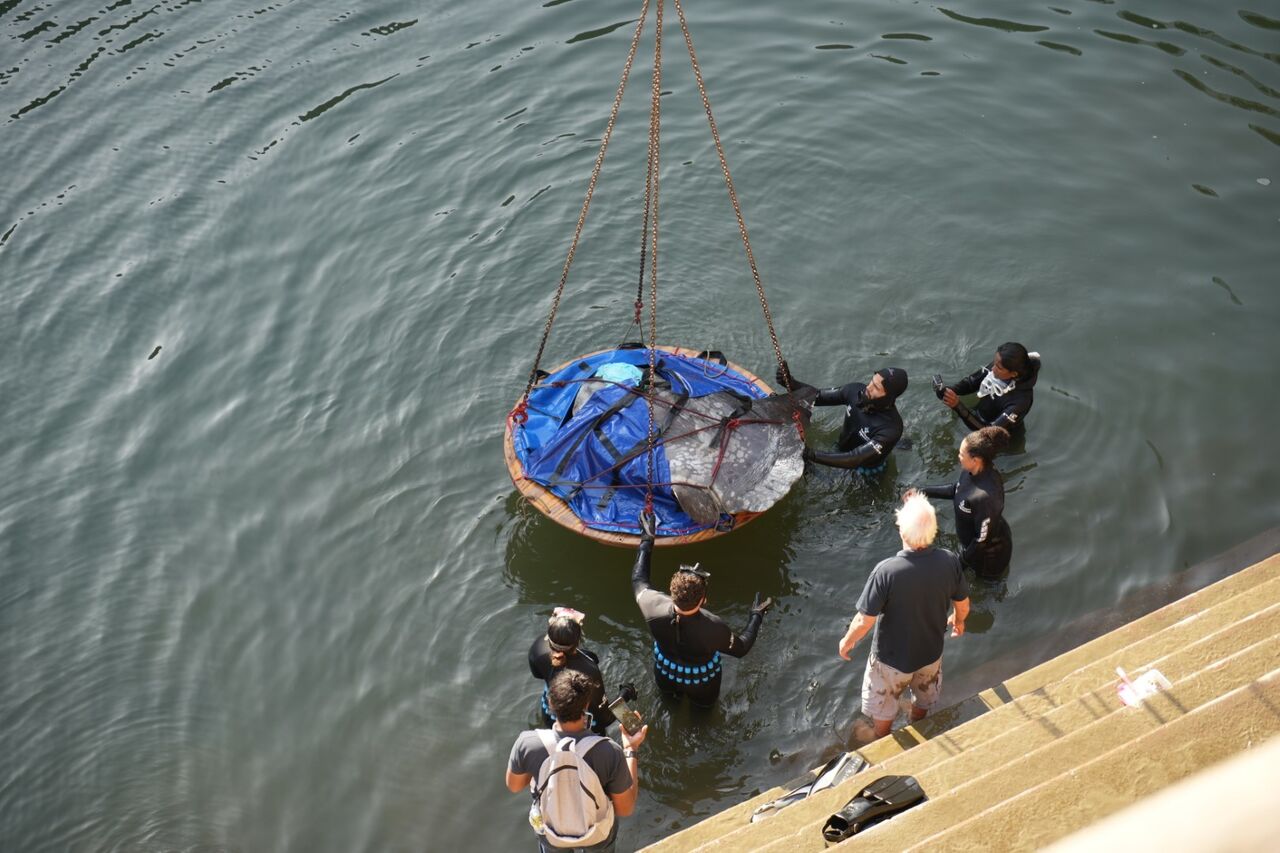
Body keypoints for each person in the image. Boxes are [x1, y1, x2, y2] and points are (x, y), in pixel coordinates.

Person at [838, 492, 970, 740]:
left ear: (902, 531)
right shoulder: (949, 561)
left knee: (884, 704)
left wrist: (847, 641)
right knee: (923, 695)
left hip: (890, 662)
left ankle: (881, 736)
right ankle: (916, 721)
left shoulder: (886, 571)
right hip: (930, 653)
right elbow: (962, 603)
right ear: (933, 531)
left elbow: (864, 620)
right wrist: (959, 620)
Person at [632, 512, 773, 707]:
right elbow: (741, 649)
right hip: (701, 681)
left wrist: (647, 539)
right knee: (702, 713)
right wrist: (756, 616)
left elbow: (639, 578)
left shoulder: (652, 605)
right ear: (704, 600)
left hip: (664, 670)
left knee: (668, 705)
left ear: (672, 592)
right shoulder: (713, 626)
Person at [506, 670, 649, 852]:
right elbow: (626, 808)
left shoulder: (527, 743)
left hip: (551, 834)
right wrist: (630, 749)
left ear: (550, 703)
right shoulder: (609, 751)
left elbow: (515, 785)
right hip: (597, 835)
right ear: (587, 705)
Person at [917, 426, 1013, 580]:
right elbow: (958, 490)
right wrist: (921, 491)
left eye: (961, 454)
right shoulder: (971, 471)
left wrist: (957, 567)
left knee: (987, 588)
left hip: (991, 559)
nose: (958, 456)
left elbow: (981, 541)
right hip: (973, 544)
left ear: (975, 460)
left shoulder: (986, 497)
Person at [777, 362, 908, 474]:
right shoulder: (855, 391)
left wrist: (811, 454)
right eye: (871, 382)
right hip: (840, 449)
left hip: (867, 472)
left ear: (889, 397)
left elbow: (855, 458)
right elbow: (817, 396)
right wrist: (790, 382)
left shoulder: (891, 429)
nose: (868, 388)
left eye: (876, 388)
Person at [528, 608, 616, 735]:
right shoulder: (589, 669)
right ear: (578, 640)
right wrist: (625, 694)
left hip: (551, 716)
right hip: (582, 728)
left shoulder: (537, 648)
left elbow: (538, 674)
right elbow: (603, 716)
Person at [937, 342, 1040, 434]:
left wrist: (958, 406)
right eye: (994, 363)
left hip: (999, 439)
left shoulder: (1020, 402)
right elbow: (971, 383)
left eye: (998, 368)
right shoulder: (1000, 365)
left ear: (1013, 374)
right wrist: (948, 391)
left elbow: (988, 432)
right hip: (979, 415)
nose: (992, 369)